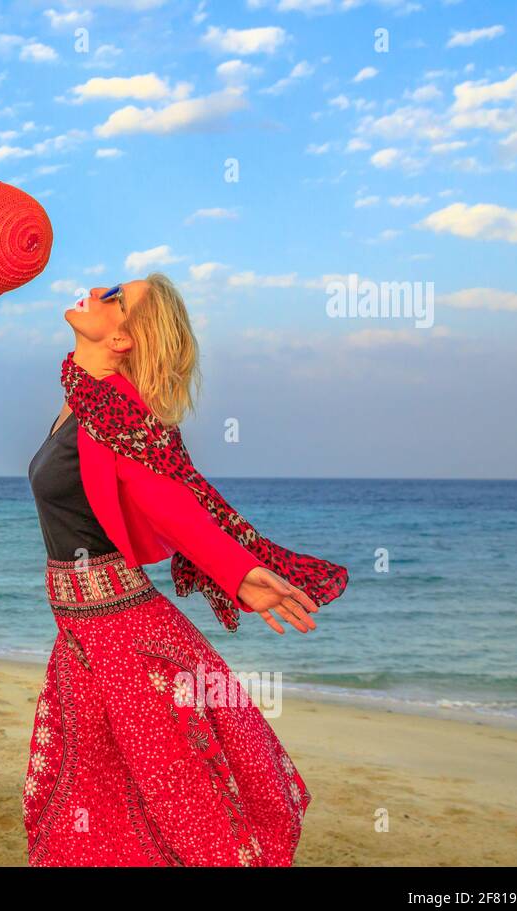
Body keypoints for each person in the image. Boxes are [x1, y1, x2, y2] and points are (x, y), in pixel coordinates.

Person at [23, 273, 348, 866]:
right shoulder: (82, 399)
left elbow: (169, 500)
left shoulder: (117, 414)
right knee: (88, 798)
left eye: (115, 296)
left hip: (123, 638)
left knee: (183, 807)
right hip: (83, 634)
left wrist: (239, 571)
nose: (97, 290)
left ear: (123, 339)